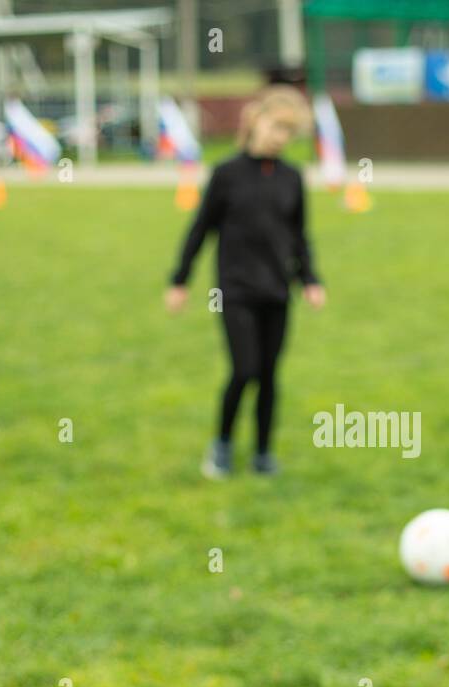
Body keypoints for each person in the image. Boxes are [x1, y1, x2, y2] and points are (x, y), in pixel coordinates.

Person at [165, 85, 326, 478]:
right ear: (256, 120)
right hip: (233, 291)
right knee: (244, 369)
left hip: (276, 290)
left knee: (270, 374)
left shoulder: (292, 176)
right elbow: (200, 228)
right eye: (277, 128)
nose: (281, 138)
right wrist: (179, 280)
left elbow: (299, 234)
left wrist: (310, 279)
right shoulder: (226, 174)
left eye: (289, 132)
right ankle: (221, 445)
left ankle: (263, 453)